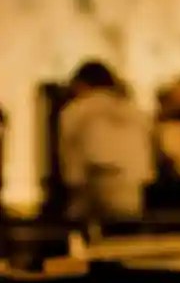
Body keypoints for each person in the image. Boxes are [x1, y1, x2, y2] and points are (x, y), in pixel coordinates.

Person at [59, 61, 154, 226]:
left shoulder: (76, 110)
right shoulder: (135, 111)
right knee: (124, 234)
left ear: (81, 84)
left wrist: (71, 183)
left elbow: (69, 154)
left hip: (93, 184)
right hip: (131, 187)